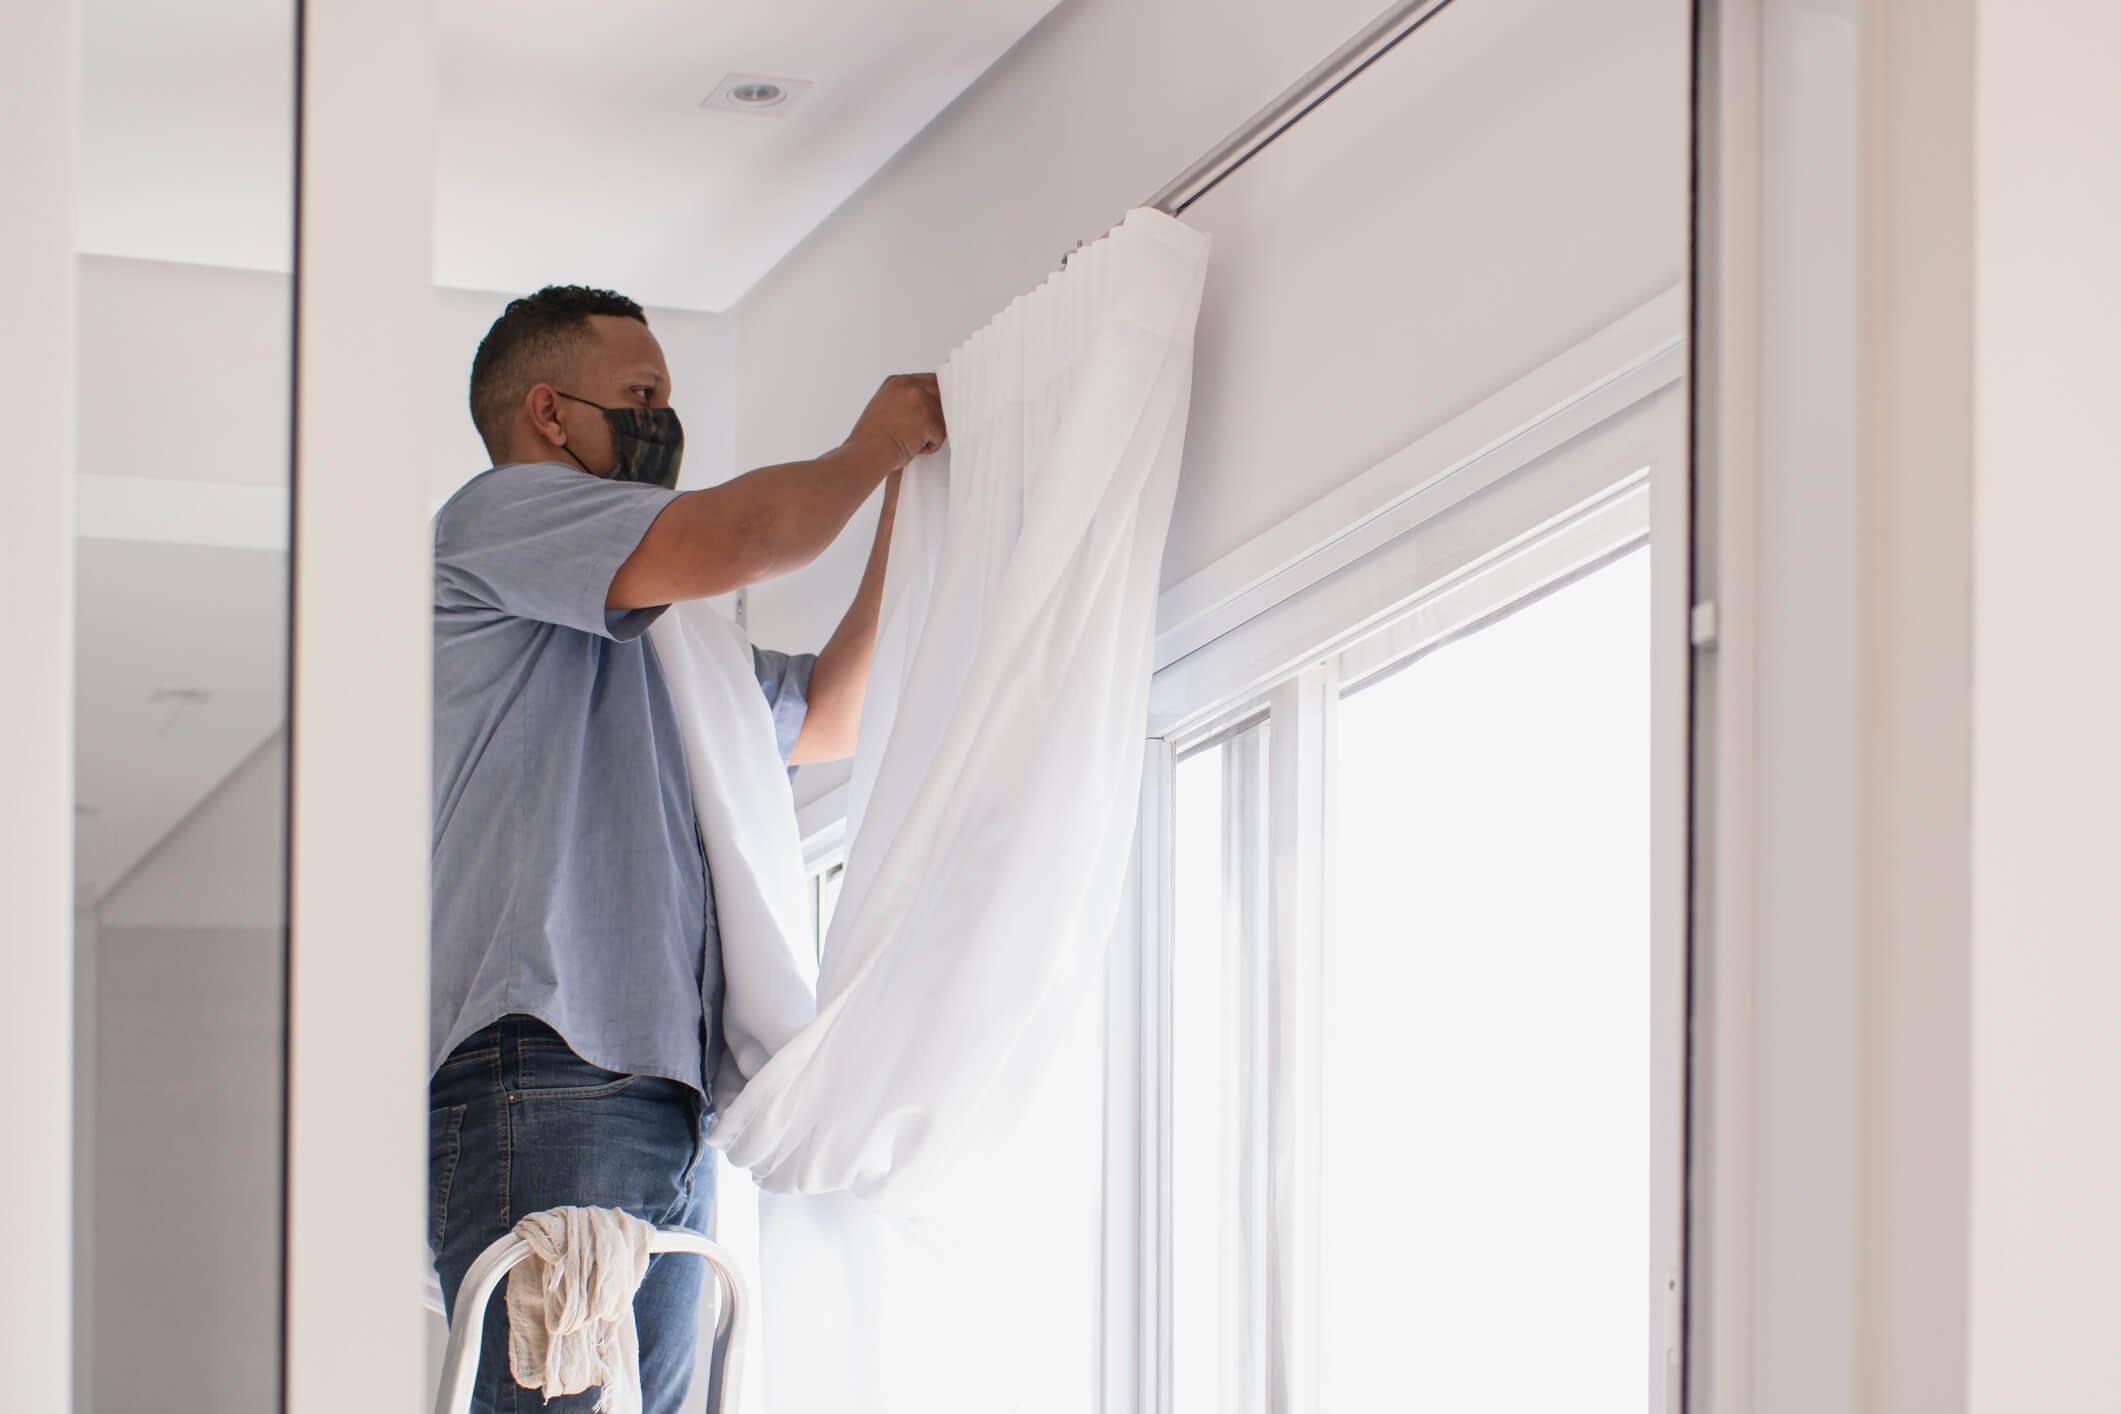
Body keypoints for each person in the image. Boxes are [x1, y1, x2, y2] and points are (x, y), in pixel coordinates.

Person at [426, 284, 944, 1413]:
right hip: (550, 1067)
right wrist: (869, 446)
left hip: (660, 1093)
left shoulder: (677, 644)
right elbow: (743, 536)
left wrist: (908, 494)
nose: (665, 420)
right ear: (549, 414)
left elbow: (830, 715)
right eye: (642, 394)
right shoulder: (494, 519)